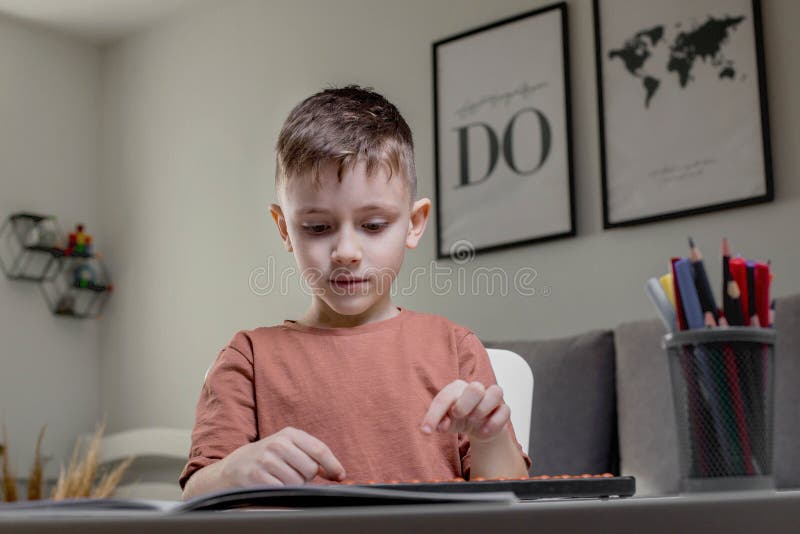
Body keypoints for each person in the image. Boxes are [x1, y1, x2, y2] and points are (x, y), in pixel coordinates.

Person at [179, 85, 531, 500]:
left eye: (374, 225)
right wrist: (233, 473)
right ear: (284, 229)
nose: (346, 252)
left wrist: (489, 439)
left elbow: (509, 506)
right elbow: (194, 498)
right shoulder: (249, 360)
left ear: (415, 223)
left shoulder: (455, 349)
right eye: (317, 227)